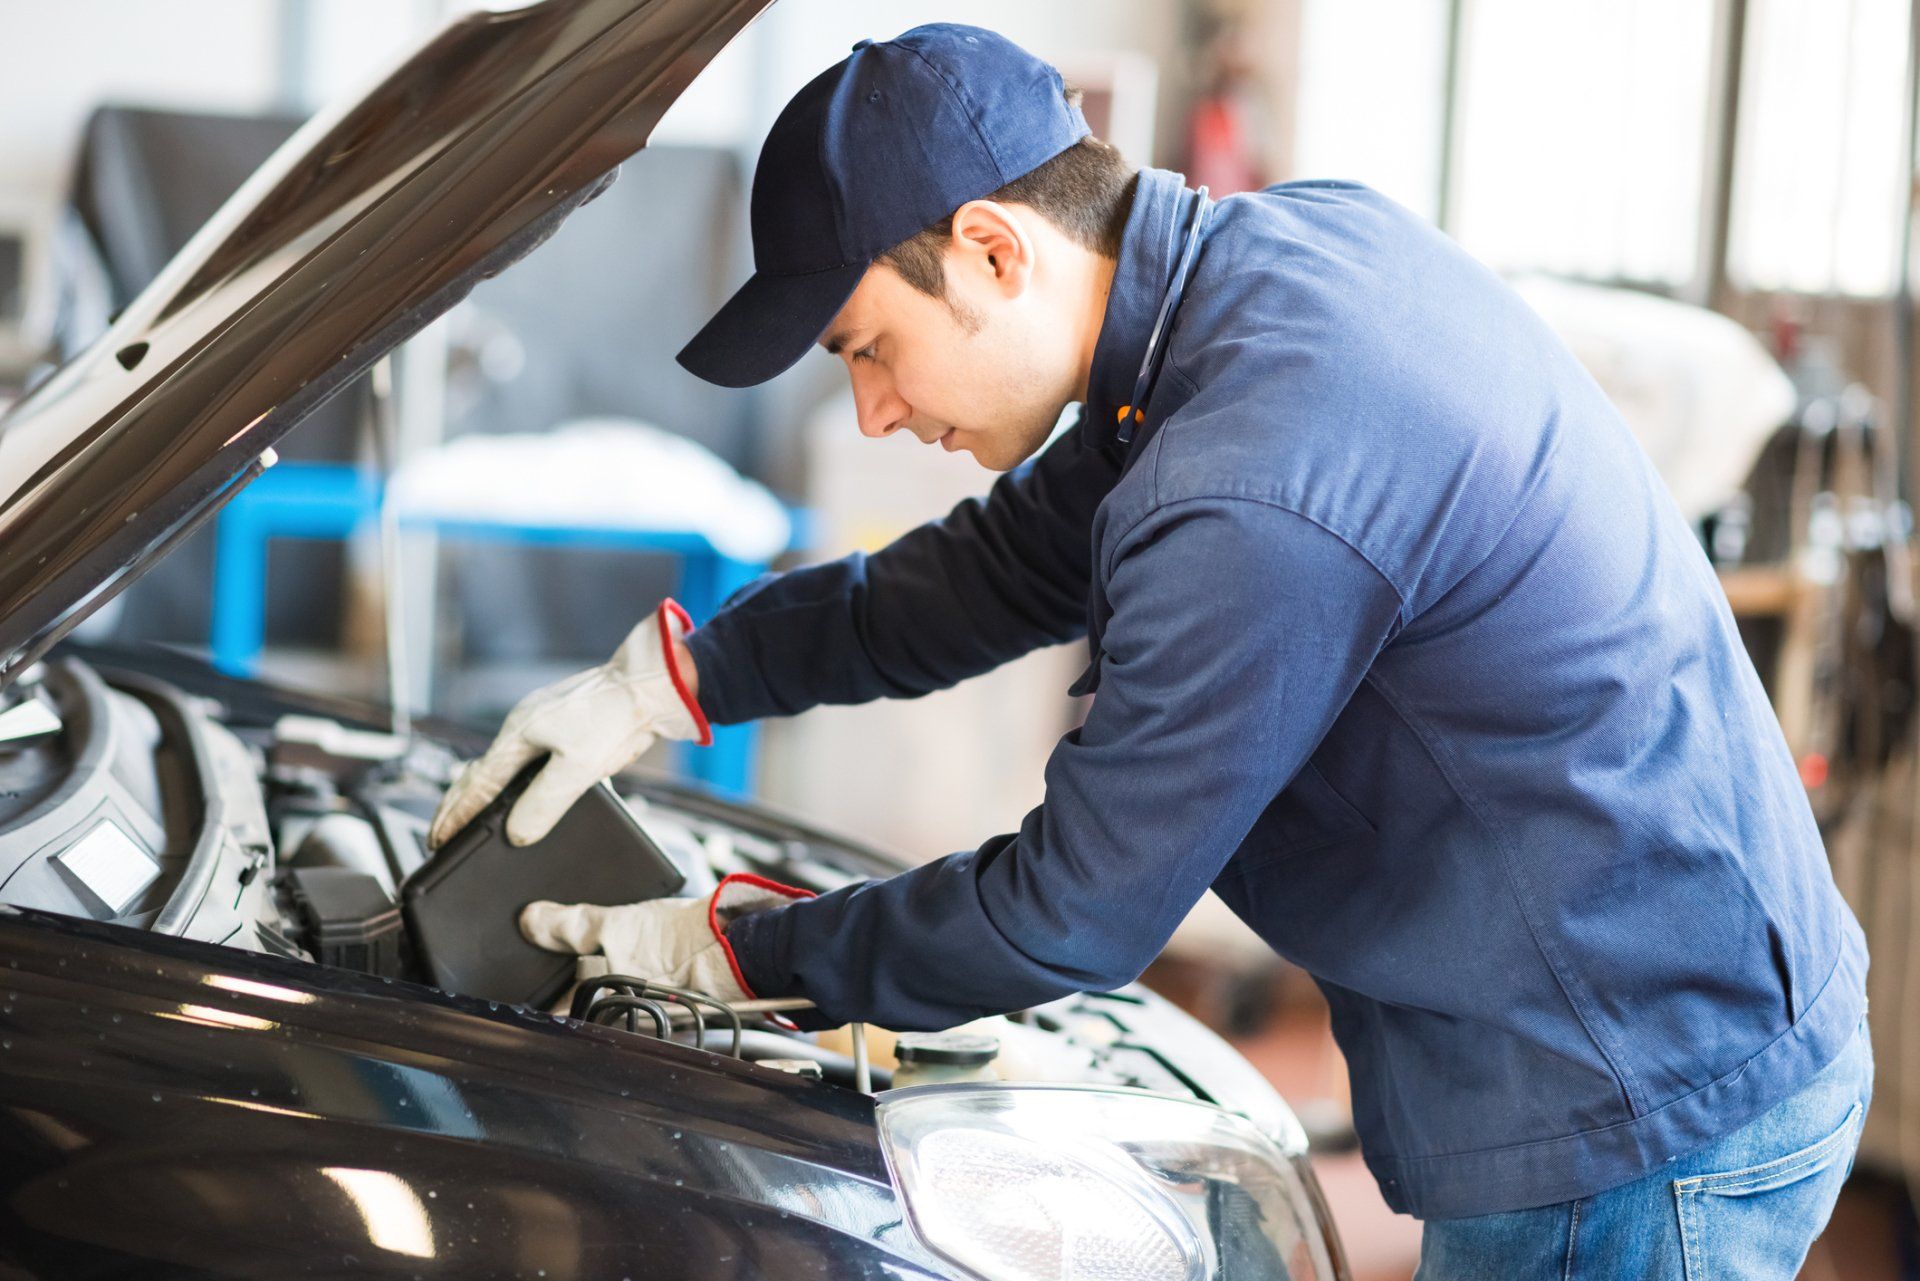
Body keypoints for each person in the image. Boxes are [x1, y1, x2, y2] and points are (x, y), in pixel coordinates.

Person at [429, 24, 1870, 1277]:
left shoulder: (1251, 472)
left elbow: (1066, 912)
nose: (870, 411)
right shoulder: (1241, 296)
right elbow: (986, 573)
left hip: (1640, 1095)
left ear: (995, 248)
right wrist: (665, 680)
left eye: (868, 346)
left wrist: (735, 949)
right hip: (1643, 1011)